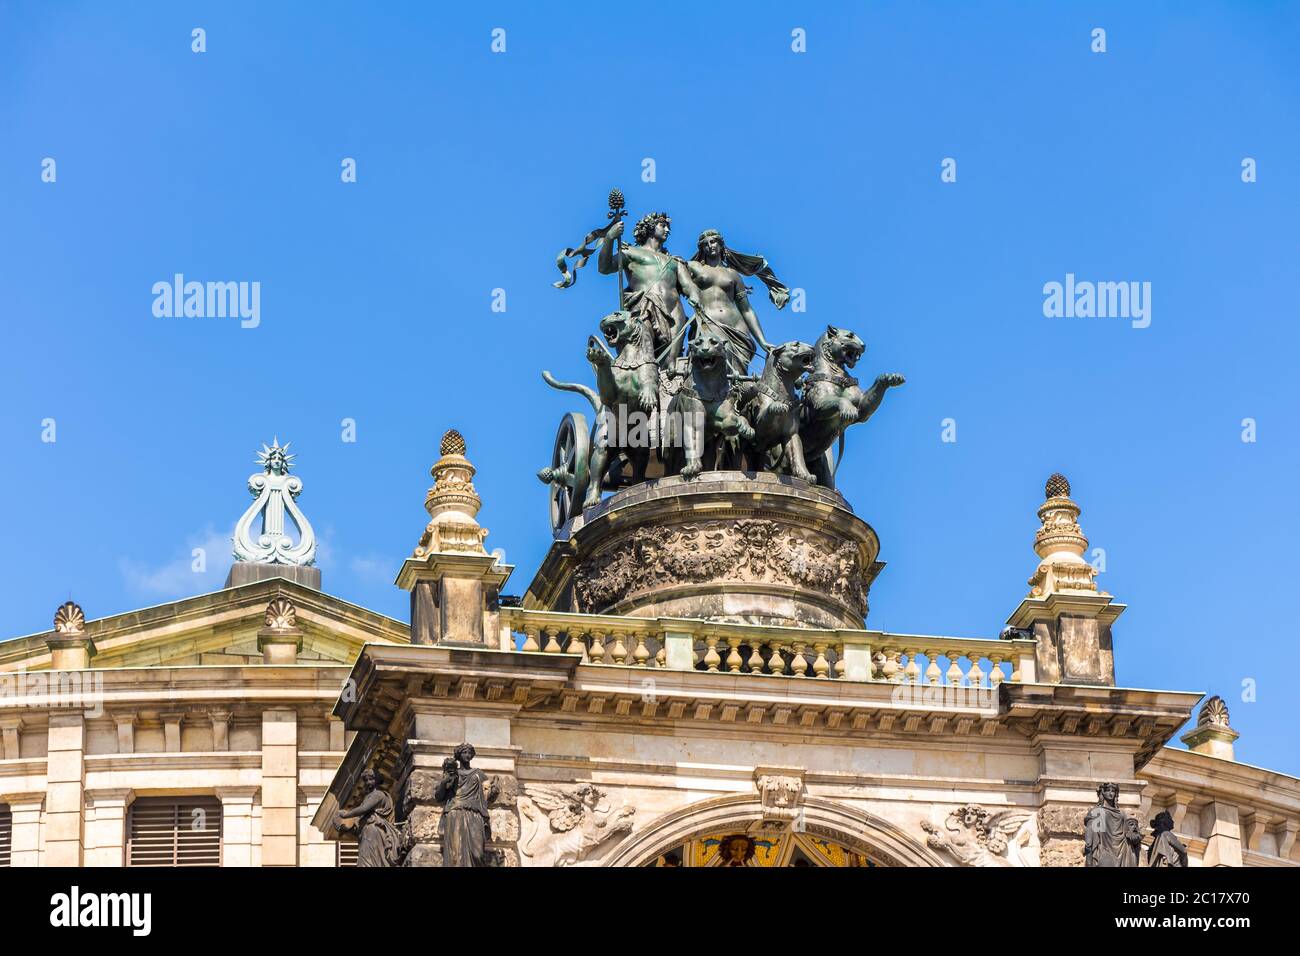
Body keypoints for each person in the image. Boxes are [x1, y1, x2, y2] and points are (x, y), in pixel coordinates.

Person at [598, 211, 704, 363]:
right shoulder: (631, 252)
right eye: (663, 225)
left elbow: (688, 285)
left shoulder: (674, 261)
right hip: (644, 307)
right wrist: (609, 238)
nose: (667, 230)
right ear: (650, 227)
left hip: (675, 310)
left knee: (671, 363)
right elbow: (604, 267)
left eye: (668, 227)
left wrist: (694, 295)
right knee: (643, 357)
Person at [687, 229, 788, 376]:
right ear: (702, 249)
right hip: (709, 323)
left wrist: (762, 341)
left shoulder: (733, 275)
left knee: (738, 376)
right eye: (705, 244)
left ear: (721, 245)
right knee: (717, 360)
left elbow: (746, 309)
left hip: (738, 328)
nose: (710, 246)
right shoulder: (693, 267)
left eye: (713, 242)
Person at [434, 743, 498, 867]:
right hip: (455, 813)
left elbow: (487, 796)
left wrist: (494, 791)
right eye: (464, 752)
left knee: (478, 853)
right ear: (458, 755)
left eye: (470, 753)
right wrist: (444, 782)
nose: (467, 755)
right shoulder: (452, 774)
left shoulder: (479, 774)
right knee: (455, 854)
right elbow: (439, 797)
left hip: (475, 814)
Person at [336, 769, 402, 867]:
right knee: (365, 861)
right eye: (366, 780)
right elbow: (360, 820)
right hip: (366, 832)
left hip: (373, 831)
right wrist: (346, 829)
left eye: (371, 779)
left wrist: (346, 815)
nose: (368, 782)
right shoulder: (368, 797)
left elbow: (364, 808)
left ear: (376, 780)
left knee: (367, 861)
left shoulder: (378, 794)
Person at [1083, 782, 1141, 867]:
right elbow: (1090, 838)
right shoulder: (1098, 812)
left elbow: (1129, 833)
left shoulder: (1122, 814)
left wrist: (1135, 837)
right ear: (1102, 792)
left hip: (1123, 850)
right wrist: (1089, 859)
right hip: (1105, 850)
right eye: (1108, 790)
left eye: (1113, 791)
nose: (1110, 793)